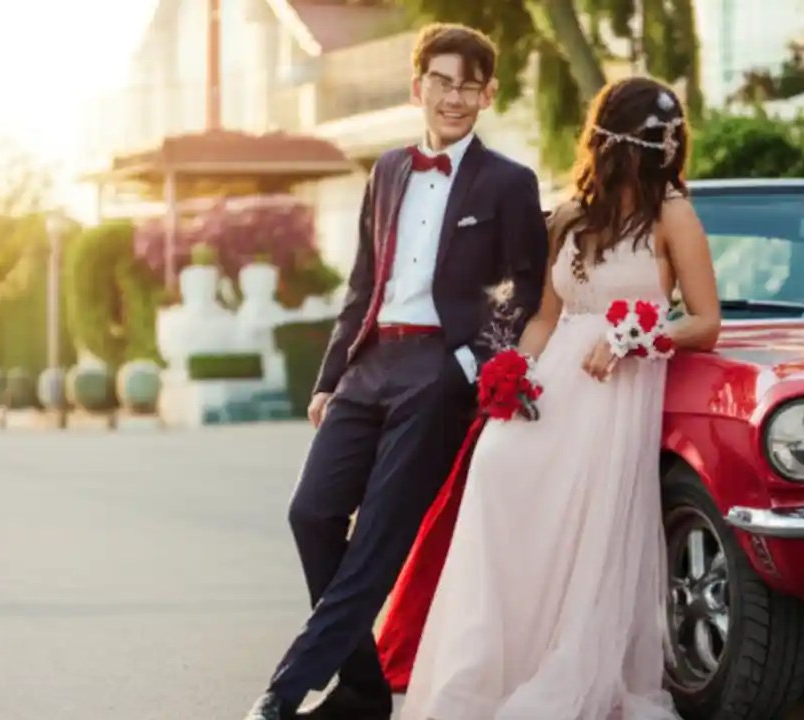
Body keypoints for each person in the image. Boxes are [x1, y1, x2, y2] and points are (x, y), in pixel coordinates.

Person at [244, 22, 549, 720]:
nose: (454, 97)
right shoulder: (385, 171)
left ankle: (283, 694)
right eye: (442, 82)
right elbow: (362, 281)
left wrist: (468, 366)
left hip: (439, 372)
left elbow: (524, 291)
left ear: (488, 94)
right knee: (312, 512)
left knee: (378, 539)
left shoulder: (509, 182)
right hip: (371, 362)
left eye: (470, 85)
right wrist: (328, 378)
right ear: (418, 87)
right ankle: (363, 689)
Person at [396, 76, 722, 720]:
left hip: (616, 393)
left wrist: (638, 335)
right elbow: (545, 316)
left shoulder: (674, 214)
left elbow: (707, 323)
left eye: (667, 138)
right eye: (650, 139)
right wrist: (518, 369)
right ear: (612, 142)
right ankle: (494, 663)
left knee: (585, 528)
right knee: (495, 475)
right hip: (555, 384)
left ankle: (567, 670)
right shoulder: (570, 214)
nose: (662, 150)